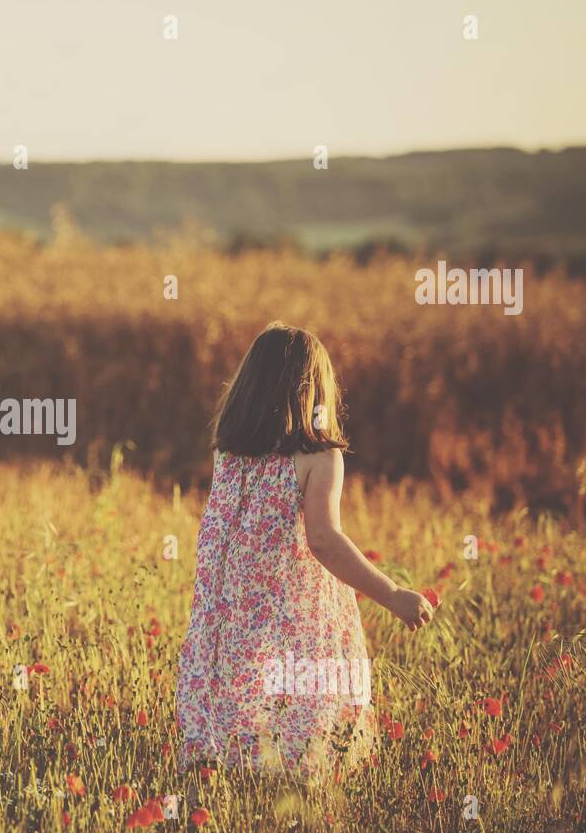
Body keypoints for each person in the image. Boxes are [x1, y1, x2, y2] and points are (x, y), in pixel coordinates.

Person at [175, 321, 432, 779]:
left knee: (239, 711)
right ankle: (296, 796)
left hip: (228, 611)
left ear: (249, 388)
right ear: (315, 391)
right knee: (303, 714)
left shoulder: (229, 453)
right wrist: (392, 594)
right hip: (295, 612)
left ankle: (231, 784)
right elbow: (324, 540)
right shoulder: (318, 457)